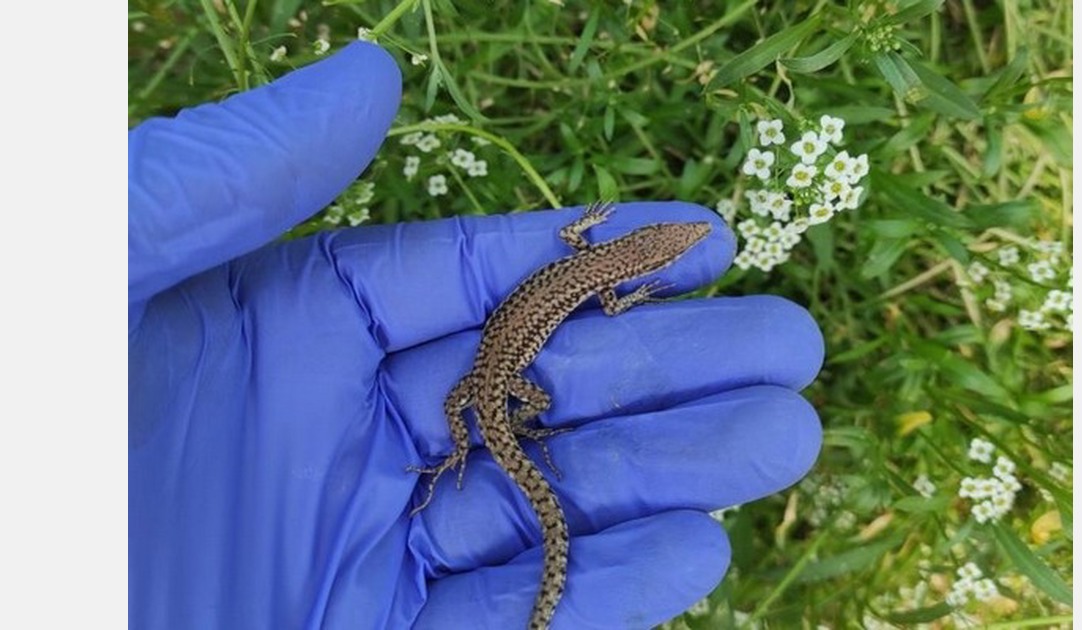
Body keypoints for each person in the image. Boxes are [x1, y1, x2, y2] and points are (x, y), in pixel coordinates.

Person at [129, 41, 824, 628]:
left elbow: (572, 239)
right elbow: (610, 308)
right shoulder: (608, 282)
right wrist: (631, 297)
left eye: (669, 245)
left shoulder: (593, 260)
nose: (675, 241)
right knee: (533, 411)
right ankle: (479, 460)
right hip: (496, 380)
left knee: (492, 417)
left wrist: (589, 227)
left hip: (487, 376)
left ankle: (460, 459)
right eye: (667, 245)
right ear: (643, 255)